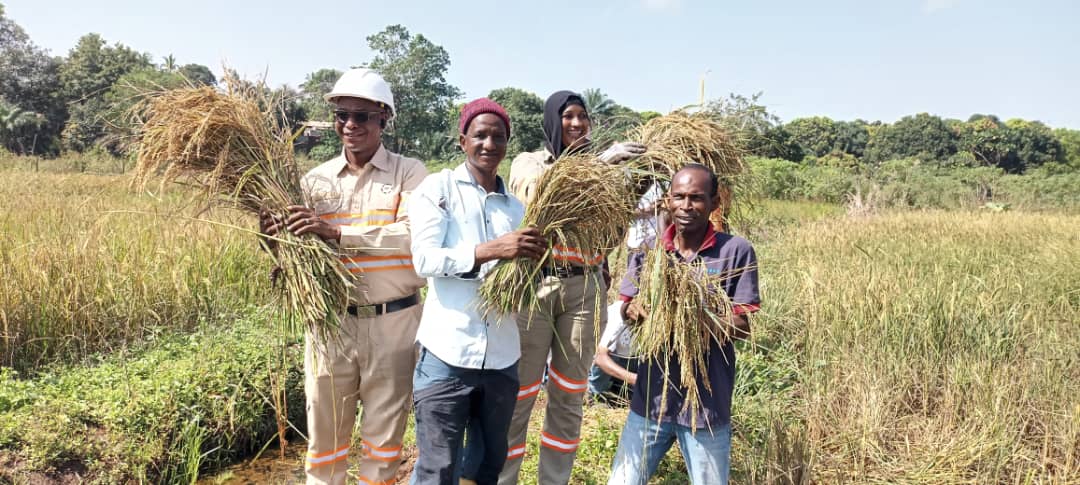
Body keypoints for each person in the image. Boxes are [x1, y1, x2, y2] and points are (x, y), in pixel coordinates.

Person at [260, 68, 428, 485]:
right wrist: (271, 239)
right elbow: (297, 250)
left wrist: (337, 233)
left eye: (362, 117)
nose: (350, 125)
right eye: (341, 116)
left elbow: (412, 237)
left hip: (394, 324)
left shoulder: (410, 173)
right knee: (324, 445)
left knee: (383, 444)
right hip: (329, 324)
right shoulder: (313, 180)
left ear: (383, 118)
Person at [500, 90, 645, 485]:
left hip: (584, 290)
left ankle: (554, 480)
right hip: (536, 286)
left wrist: (629, 185)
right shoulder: (530, 162)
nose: (577, 124)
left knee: (568, 395)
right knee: (520, 394)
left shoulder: (610, 174)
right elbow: (537, 195)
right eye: (568, 116)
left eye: (583, 116)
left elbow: (613, 233)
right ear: (552, 120)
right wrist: (600, 165)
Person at [408, 98, 547, 485]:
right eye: (480, 135)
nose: (489, 144)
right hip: (446, 356)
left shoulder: (517, 209)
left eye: (498, 137)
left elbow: (522, 276)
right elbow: (425, 260)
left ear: (507, 144)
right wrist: (490, 251)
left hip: (502, 359)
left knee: (487, 466)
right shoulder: (437, 189)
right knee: (438, 468)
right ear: (462, 140)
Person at [607, 164, 761, 485]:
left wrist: (690, 318)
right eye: (679, 197)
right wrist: (633, 309)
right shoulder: (649, 252)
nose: (686, 206)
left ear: (714, 203)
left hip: (706, 405)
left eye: (696, 198)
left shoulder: (735, 251)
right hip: (650, 402)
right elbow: (625, 308)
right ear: (667, 200)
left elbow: (742, 323)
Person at [586, 302, 640, 403]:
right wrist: (635, 379)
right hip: (602, 362)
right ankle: (594, 392)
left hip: (630, 359)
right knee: (609, 355)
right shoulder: (614, 317)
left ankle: (617, 386)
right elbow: (600, 358)